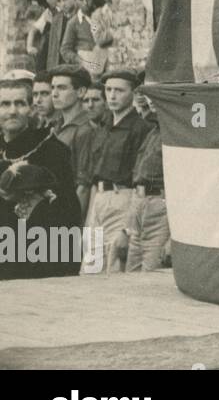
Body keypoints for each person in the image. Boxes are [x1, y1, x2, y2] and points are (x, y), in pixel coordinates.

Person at [0, 79, 83, 280]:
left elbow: (68, 209)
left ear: (31, 108)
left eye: (20, 103)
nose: (12, 111)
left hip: (37, 255)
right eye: (5, 104)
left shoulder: (51, 150)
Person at [80, 69, 151, 274]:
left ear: (134, 93)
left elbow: (140, 182)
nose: (112, 95)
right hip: (100, 199)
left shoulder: (140, 128)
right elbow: (95, 176)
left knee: (113, 267)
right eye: (109, 90)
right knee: (90, 268)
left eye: (119, 90)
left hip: (124, 200)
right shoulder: (103, 127)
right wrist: (89, 219)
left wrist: (127, 228)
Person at [48, 65, 100, 219]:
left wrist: (73, 223)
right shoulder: (56, 127)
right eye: (53, 88)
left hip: (69, 212)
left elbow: (84, 186)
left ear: (81, 92)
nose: (54, 94)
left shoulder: (86, 130)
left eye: (62, 88)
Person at [125, 93, 168, 272]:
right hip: (140, 202)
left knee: (151, 271)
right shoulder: (154, 130)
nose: (150, 100)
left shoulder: (174, 132)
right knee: (131, 270)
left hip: (159, 203)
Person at [60, 0, 113, 79]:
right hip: (88, 68)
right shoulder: (74, 23)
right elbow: (65, 49)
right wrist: (80, 60)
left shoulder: (102, 15)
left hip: (107, 62)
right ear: (76, 0)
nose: (85, 2)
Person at [27, 0, 75, 72]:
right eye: (58, 1)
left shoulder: (76, 14)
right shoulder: (49, 13)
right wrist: (29, 47)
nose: (63, 4)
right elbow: (33, 30)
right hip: (52, 54)